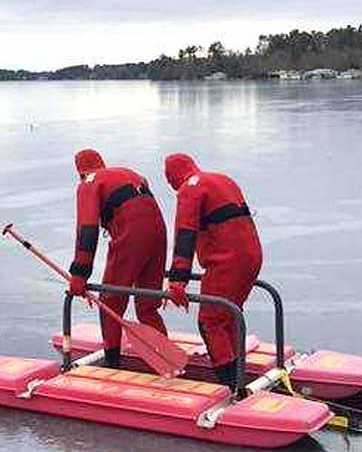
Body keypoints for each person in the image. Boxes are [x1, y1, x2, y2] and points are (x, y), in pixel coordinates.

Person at [163, 152, 262, 389]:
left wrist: (178, 281)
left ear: (171, 176)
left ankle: (231, 387)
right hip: (252, 256)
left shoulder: (189, 189)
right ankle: (239, 373)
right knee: (229, 315)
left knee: (210, 321)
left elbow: (185, 235)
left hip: (226, 262)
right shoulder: (222, 180)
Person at [68, 149, 168, 368]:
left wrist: (79, 274)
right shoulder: (130, 173)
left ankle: (112, 363)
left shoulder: (88, 183)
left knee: (110, 302)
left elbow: (87, 230)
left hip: (131, 236)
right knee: (147, 304)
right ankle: (168, 360)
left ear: (80, 172)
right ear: (102, 163)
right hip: (159, 234)